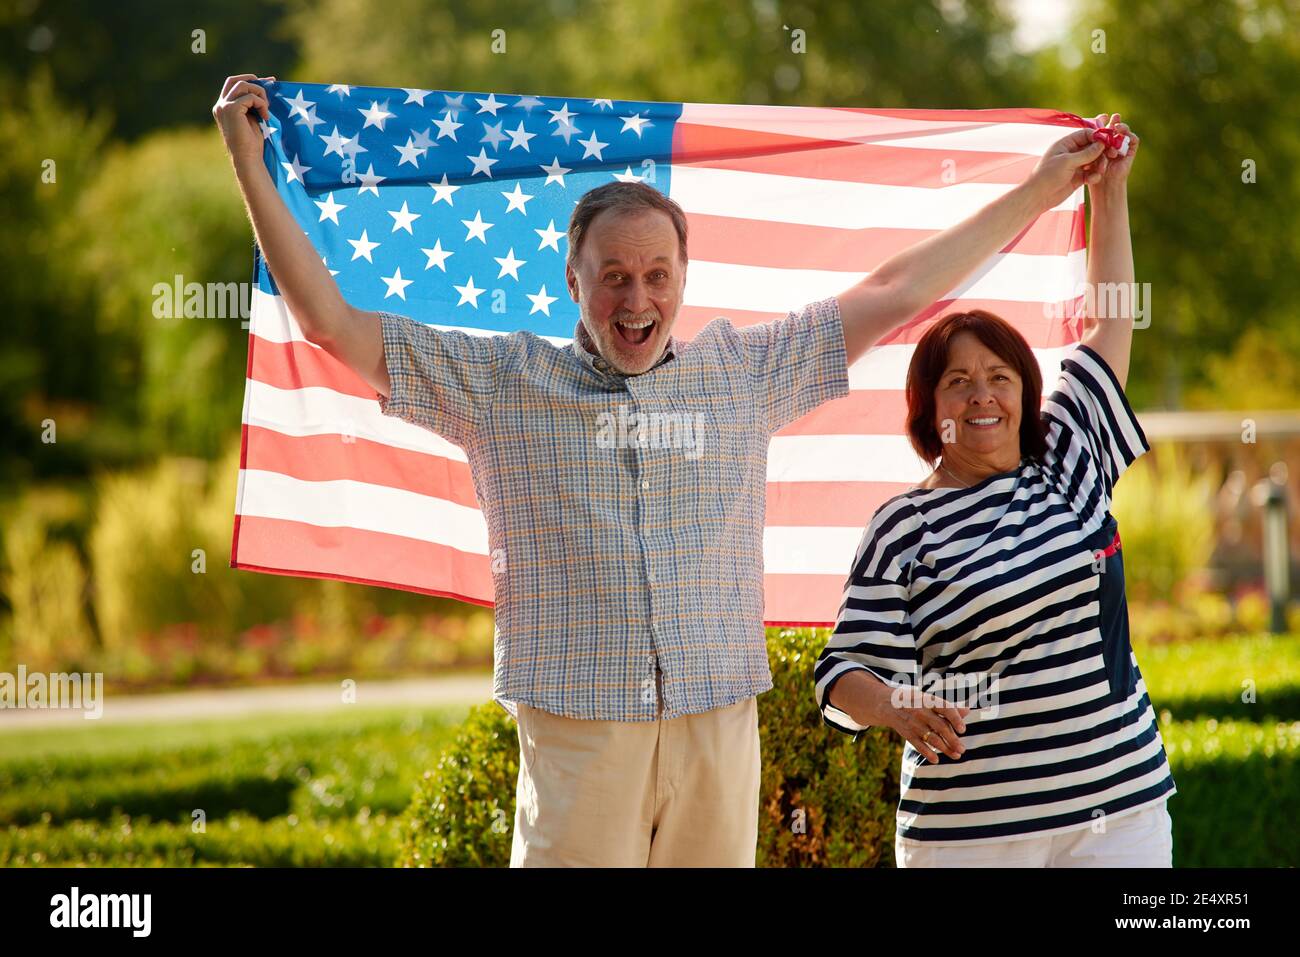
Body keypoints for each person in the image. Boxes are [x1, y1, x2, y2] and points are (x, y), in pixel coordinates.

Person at [214, 73, 1116, 867]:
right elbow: (333, 323)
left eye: (655, 273)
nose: (635, 298)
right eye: (613, 276)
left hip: (716, 723)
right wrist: (249, 164)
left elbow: (895, 290)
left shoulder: (744, 373)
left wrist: (1041, 188)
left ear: (685, 277)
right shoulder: (499, 385)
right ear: (573, 280)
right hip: (579, 732)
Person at [815, 118, 1176, 867]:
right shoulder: (903, 526)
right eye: (958, 380)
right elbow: (841, 670)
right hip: (970, 835)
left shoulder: (1070, 454)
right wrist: (893, 705)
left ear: (1026, 392)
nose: (983, 396)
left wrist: (1110, 192)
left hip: (1121, 809)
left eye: (999, 377)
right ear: (928, 409)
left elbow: (1112, 318)